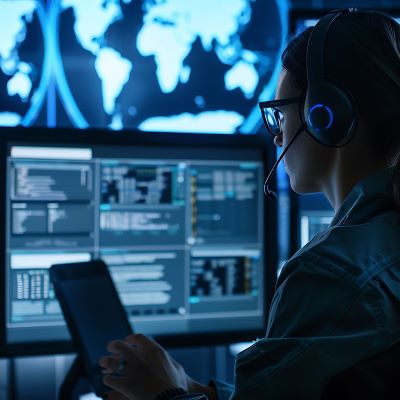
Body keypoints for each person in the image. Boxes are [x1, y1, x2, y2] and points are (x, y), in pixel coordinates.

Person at [98, 9, 400, 400]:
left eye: (279, 115)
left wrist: (163, 395)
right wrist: (192, 390)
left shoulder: (332, 273)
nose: (276, 138)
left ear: (325, 115)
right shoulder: (385, 242)